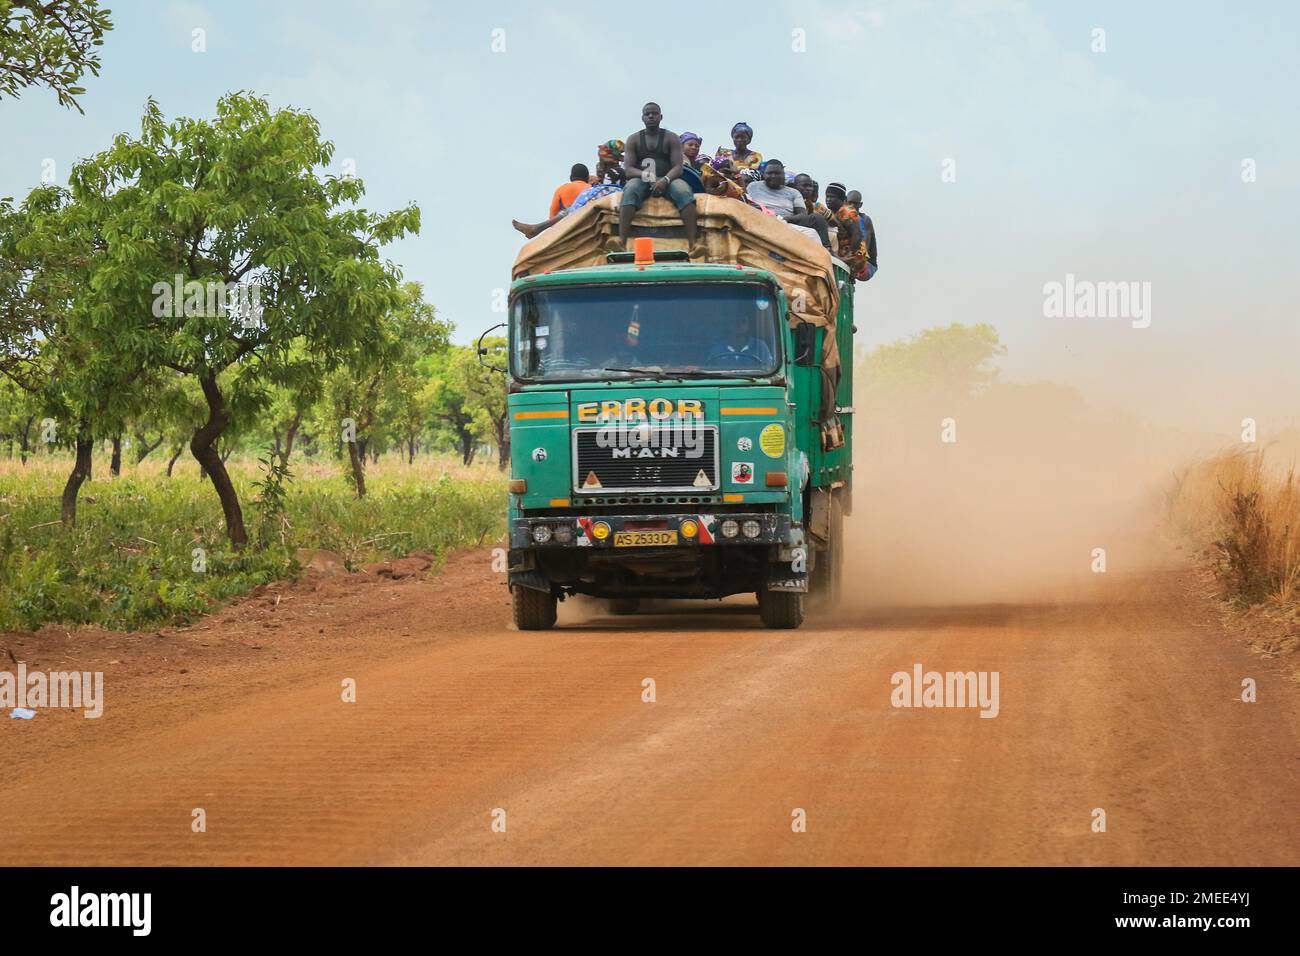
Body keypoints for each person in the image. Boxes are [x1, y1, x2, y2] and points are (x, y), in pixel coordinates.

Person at [613, 102, 701, 255]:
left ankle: (694, 244)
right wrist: (648, 176)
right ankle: (621, 240)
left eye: (654, 113)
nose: (651, 116)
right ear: (642, 118)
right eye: (647, 114)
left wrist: (664, 180)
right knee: (631, 189)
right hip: (642, 179)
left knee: (684, 192)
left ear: (661, 116)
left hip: (668, 179)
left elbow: (678, 167)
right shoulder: (633, 139)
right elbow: (628, 170)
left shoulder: (671, 138)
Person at [513, 162, 624, 238]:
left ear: (571, 177)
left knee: (565, 211)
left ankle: (536, 229)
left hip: (571, 221)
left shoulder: (563, 189)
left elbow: (552, 215)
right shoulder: (594, 189)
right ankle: (536, 229)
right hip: (592, 220)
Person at [745, 159, 831, 249]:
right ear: (764, 174)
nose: (773, 176)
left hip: (787, 224)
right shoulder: (752, 186)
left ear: (783, 175)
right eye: (769, 173)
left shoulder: (793, 192)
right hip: (760, 221)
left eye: (777, 173)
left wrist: (783, 219)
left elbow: (802, 214)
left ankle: (827, 250)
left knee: (817, 218)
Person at [825, 182, 868, 278]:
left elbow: (857, 235)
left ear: (840, 199)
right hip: (843, 255)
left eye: (832, 197)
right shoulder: (833, 212)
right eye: (827, 196)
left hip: (854, 256)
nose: (828, 200)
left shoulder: (847, 211)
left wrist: (851, 259)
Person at [706, 314, 774, 367]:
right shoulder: (717, 348)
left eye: (742, 321)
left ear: (748, 325)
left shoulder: (760, 346)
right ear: (728, 325)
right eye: (734, 321)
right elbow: (708, 371)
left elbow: (768, 368)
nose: (738, 324)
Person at [846, 189, 878, 280]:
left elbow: (864, 248)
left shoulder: (865, 220)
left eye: (855, 204)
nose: (852, 206)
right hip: (852, 259)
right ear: (845, 202)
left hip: (867, 264)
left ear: (860, 205)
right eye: (850, 203)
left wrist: (855, 267)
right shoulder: (843, 217)